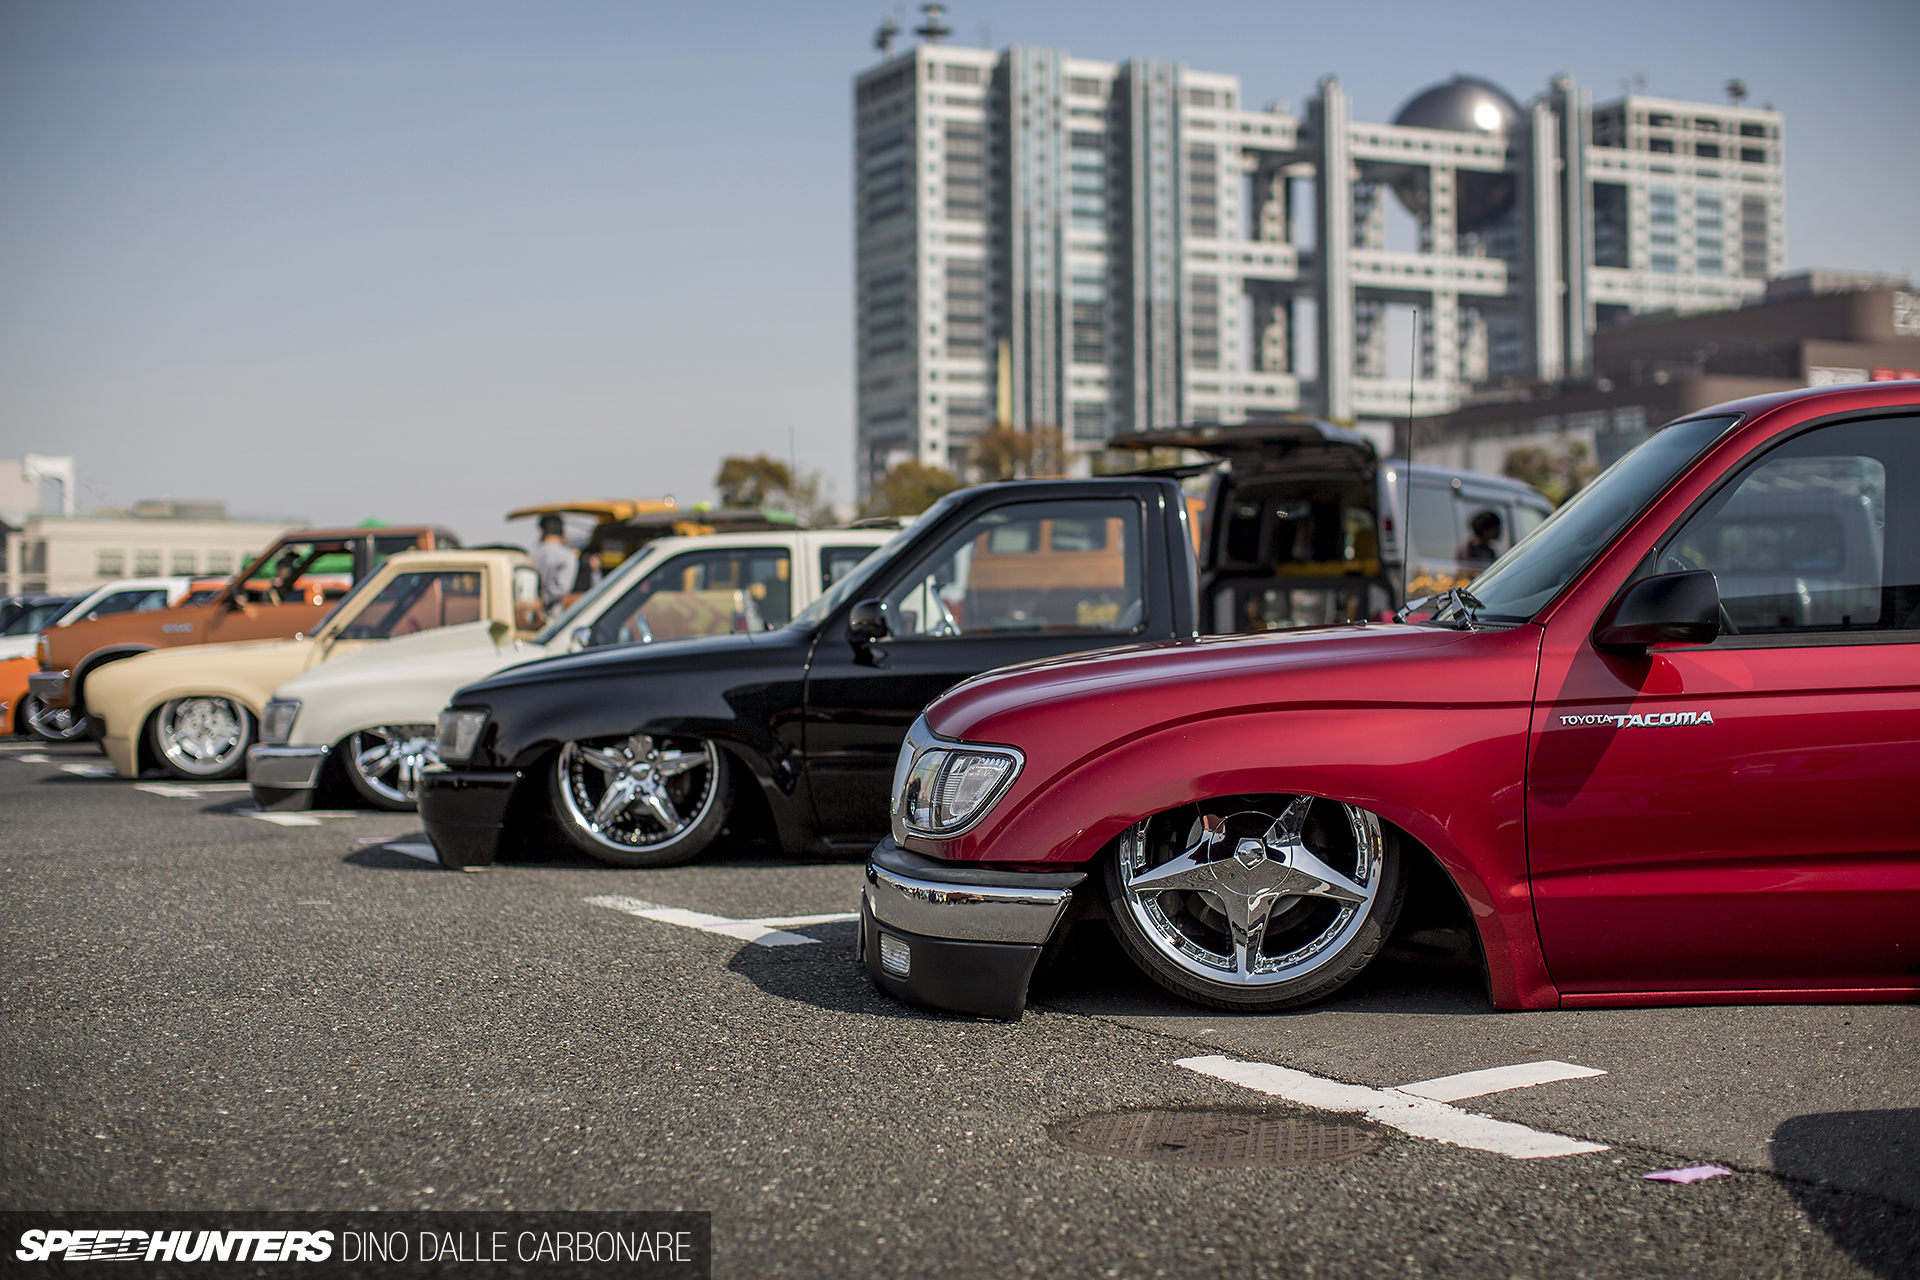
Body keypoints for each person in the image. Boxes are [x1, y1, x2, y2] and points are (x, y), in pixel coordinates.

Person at [532, 514, 579, 609]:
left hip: (528, 611)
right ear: (564, 534)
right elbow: (562, 589)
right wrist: (543, 600)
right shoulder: (567, 556)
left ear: (542, 532)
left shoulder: (529, 554)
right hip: (553, 613)